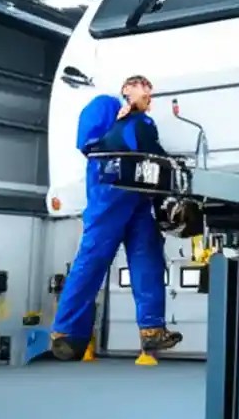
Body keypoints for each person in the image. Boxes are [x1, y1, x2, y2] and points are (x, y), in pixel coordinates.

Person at [50, 75, 183, 360]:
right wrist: (122, 122)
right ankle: (67, 332)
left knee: (148, 259)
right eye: (144, 88)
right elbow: (89, 144)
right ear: (126, 89)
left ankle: (152, 331)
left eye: (151, 91)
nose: (149, 95)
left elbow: (155, 155)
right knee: (93, 257)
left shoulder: (147, 124)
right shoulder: (104, 104)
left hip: (138, 194)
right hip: (109, 191)